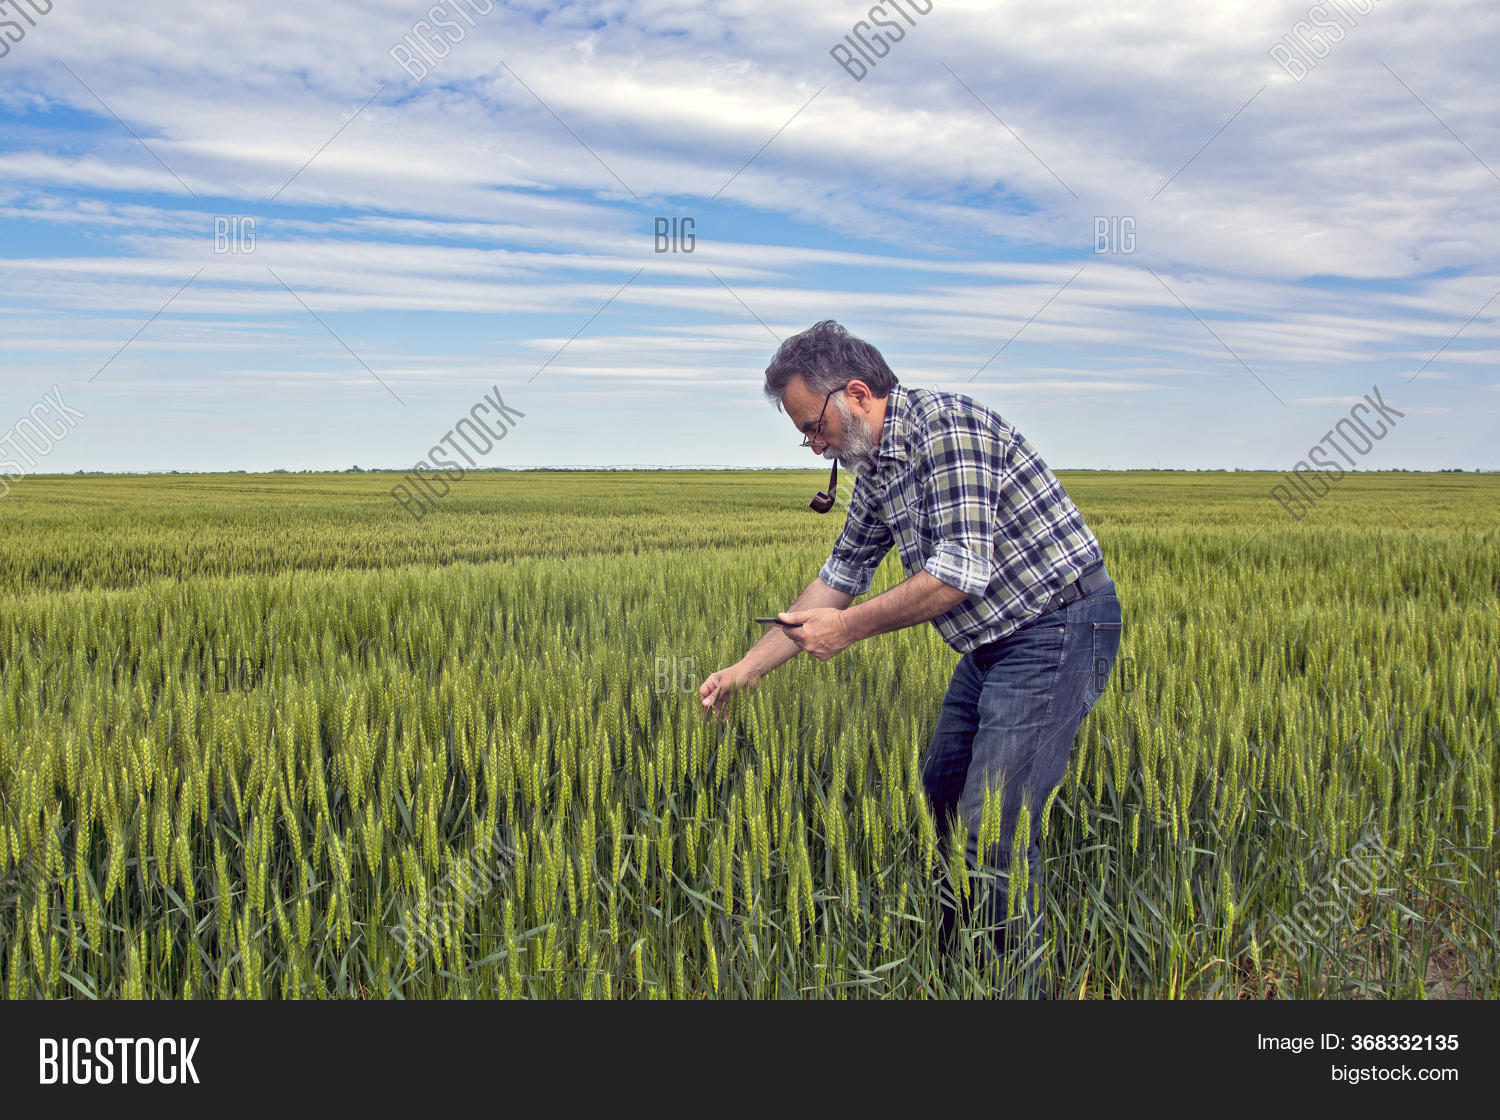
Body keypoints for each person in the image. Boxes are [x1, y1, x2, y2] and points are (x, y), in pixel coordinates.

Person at [699, 319, 1122, 998]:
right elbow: (837, 580)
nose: (814, 447)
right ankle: (967, 974)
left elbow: (959, 575)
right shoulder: (874, 471)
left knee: (996, 825)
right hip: (994, 641)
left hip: (1060, 626)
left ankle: (1017, 991)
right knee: (944, 794)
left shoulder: (946, 432)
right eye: (805, 434)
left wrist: (847, 632)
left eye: (815, 427)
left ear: (857, 395)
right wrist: (746, 669)